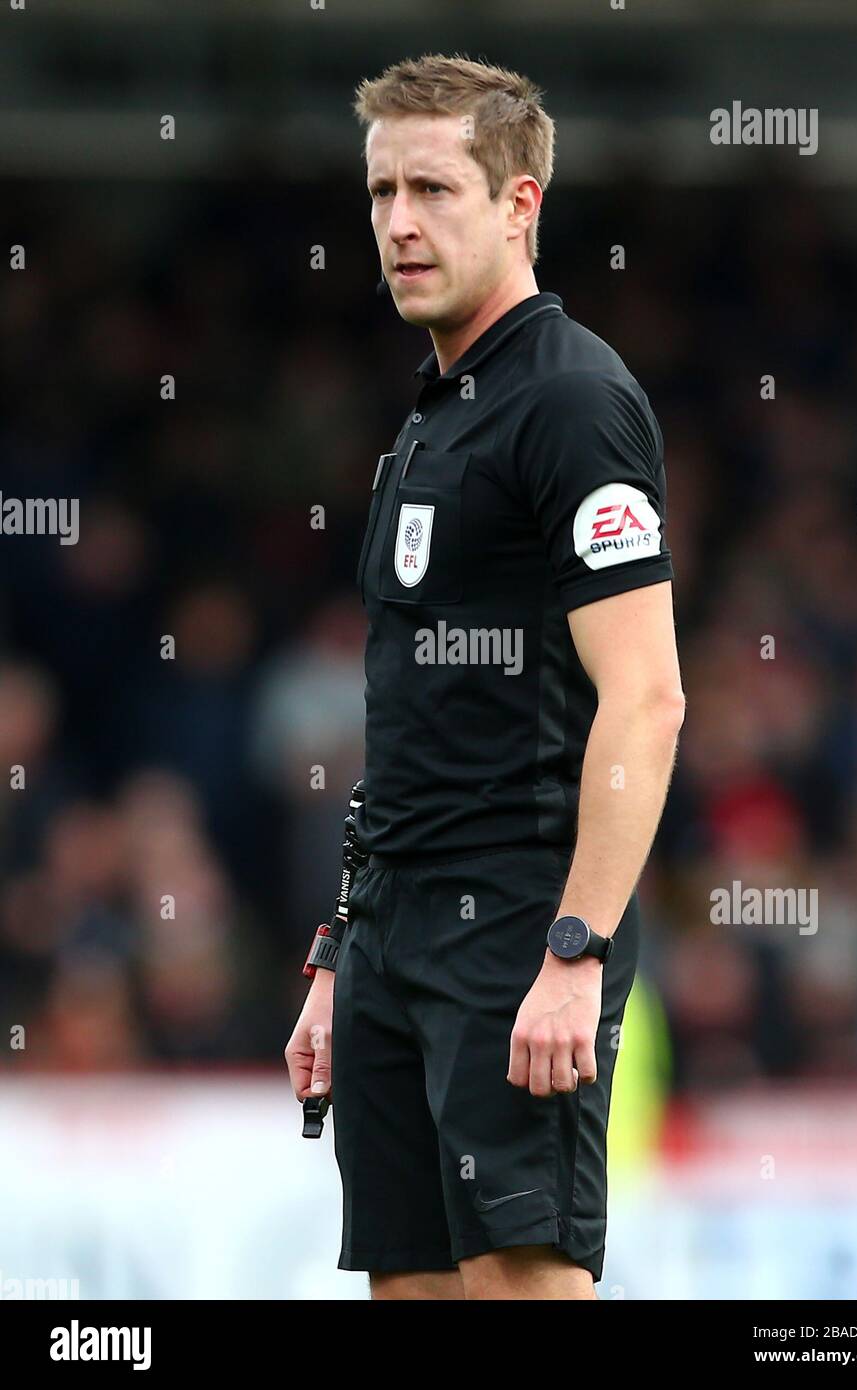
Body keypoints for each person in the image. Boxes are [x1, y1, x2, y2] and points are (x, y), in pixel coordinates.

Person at [285, 52, 685, 1302]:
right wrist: (347, 946)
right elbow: (415, 717)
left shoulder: (572, 402)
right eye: (381, 191)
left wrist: (574, 947)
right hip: (402, 931)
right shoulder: (431, 419)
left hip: (517, 925)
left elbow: (649, 696)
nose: (399, 223)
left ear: (520, 204)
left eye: (435, 190)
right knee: (410, 1291)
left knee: (519, 1288)